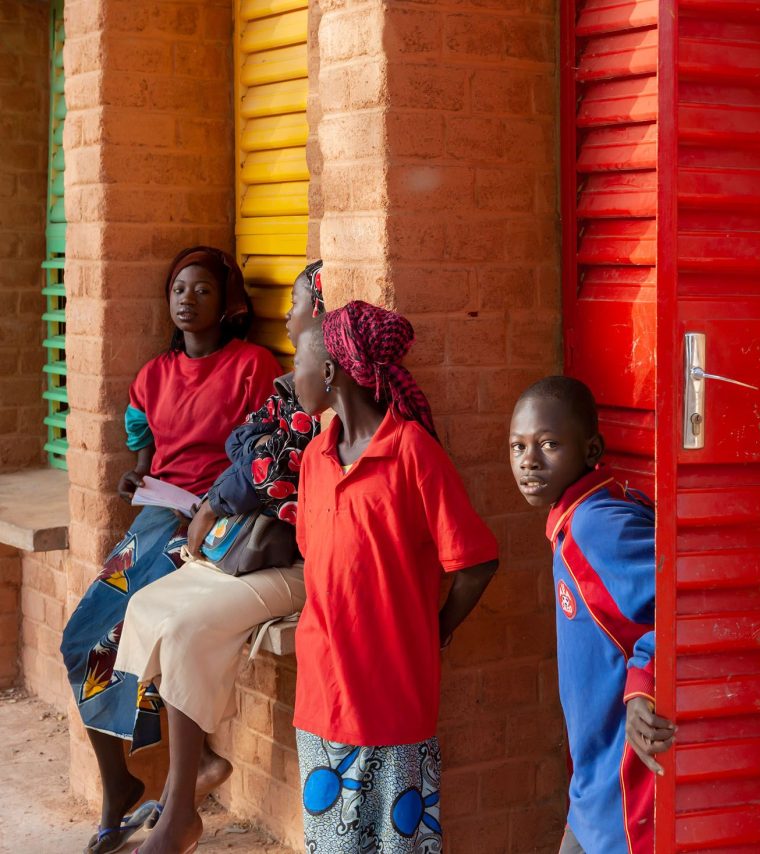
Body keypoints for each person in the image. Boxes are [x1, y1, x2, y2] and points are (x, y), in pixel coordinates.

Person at [60, 247, 281, 854]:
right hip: (155, 518)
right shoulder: (154, 373)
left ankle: (192, 762)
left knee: (128, 636)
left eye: (202, 290)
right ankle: (121, 783)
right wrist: (137, 472)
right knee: (83, 642)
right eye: (179, 288)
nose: (187, 299)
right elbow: (141, 432)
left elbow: (261, 452)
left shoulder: (252, 366)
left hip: (211, 524)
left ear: (229, 303)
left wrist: (216, 503)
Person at [115, 260, 327, 854]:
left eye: (297, 305)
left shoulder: (286, 380)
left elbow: (262, 466)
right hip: (220, 536)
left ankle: (174, 807)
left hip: (285, 557)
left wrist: (215, 500)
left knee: (174, 626)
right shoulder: (290, 388)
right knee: (128, 617)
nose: (285, 315)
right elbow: (251, 451)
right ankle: (150, 789)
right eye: (179, 289)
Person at [290, 302, 500, 853]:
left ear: (332, 372)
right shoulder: (314, 458)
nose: (293, 375)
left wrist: (435, 629)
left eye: (299, 361)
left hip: (396, 706)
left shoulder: (412, 453)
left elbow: (477, 560)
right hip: (323, 699)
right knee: (332, 845)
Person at [508, 376, 675, 854]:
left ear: (591, 449)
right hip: (593, 780)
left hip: (624, 783)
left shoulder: (597, 525)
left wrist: (646, 680)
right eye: (517, 446)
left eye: (549, 444)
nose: (529, 460)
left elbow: (683, 596)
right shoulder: (574, 519)